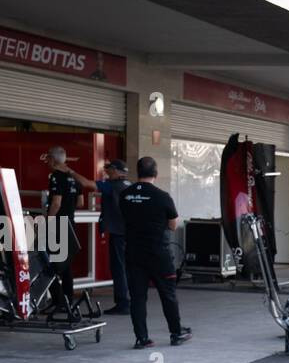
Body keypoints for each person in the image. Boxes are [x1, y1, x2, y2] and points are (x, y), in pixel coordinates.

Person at [119, 156, 190, 348]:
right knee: (168, 294)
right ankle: (176, 333)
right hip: (159, 253)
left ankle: (141, 338)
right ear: (155, 174)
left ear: (137, 172)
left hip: (134, 253)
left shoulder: (125, 195)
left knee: (138, 297)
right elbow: (173, 225)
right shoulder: (162, 196)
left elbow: (125, 217)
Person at [55, 158, 132, 315]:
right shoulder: (128, 185)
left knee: (118, 268)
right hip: (128, 232)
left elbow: (87, 184)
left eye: (109, 169)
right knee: (124, 267)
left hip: (118, 233)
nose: (106, 171)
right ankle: (126, 300)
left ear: (117, 171)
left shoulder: (112, 185)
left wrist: (69, 171)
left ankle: (123, 303)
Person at [44, 146, 81, 313]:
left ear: (53, 159)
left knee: (49, 262)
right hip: (70, 224)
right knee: (66, 265)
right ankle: (67, 299)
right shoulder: (74, 178)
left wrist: (47, 221)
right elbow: (79, 202)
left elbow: (56, 203)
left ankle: (58, 300)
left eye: (48, 158)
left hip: (57, 225)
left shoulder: (55, 177)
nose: (47, 162)